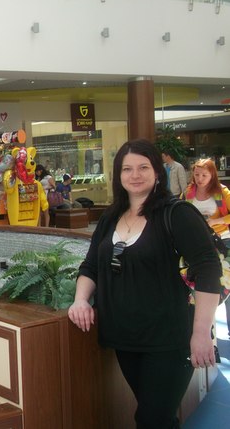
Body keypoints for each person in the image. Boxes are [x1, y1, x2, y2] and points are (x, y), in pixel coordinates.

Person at [68, 139, 221, 429]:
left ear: (157, 172)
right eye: (127, 169)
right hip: (125, 338)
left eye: (143, 167)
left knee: (151, 420)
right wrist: (80, 300)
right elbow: (91, 266)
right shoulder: (110, 217)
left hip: (169, 339)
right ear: (118, 175)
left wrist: (201, 333)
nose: (135, 175)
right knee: (158, 418)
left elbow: (209, 270)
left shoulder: (176, 214)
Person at [181, 157, 230, 337]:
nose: (200, 178)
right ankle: (202, 329)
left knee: (225, 285)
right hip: (197, 245)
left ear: (212, 175)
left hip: (222, 242)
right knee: (196, 285)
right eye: (197, 174)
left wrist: (215, 221)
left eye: (204, 175)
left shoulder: (220, 192)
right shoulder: (189, 193)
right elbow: (181, 214)